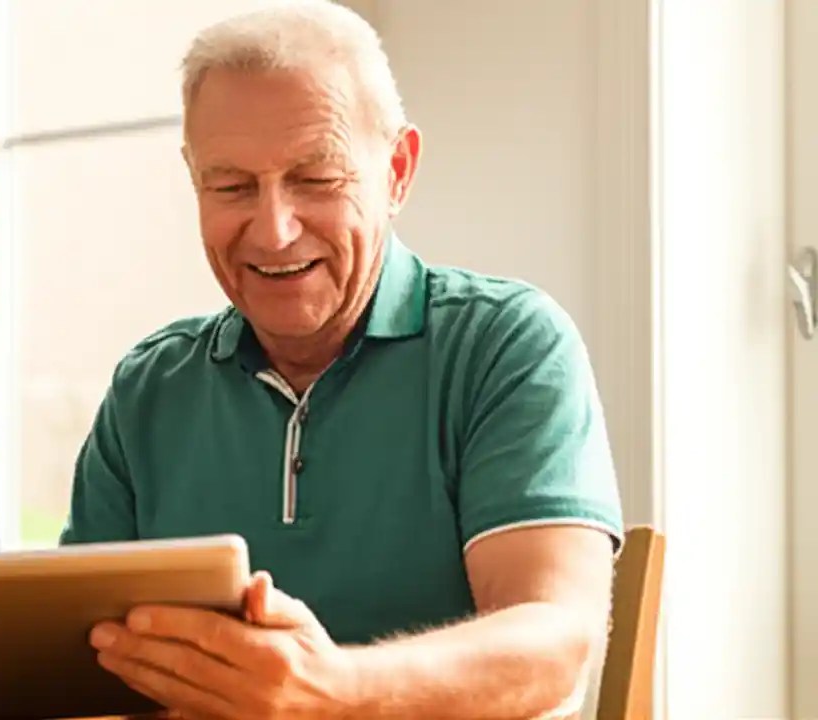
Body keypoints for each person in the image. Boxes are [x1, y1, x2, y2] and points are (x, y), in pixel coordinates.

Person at [61, 2, 623, 718]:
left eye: (316, 178)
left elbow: (553, 646)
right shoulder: (148, 386)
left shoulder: (507, 345)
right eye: (231, 186)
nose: (273, 229)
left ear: (396, 171)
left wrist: (330, 693)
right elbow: (74, 664)